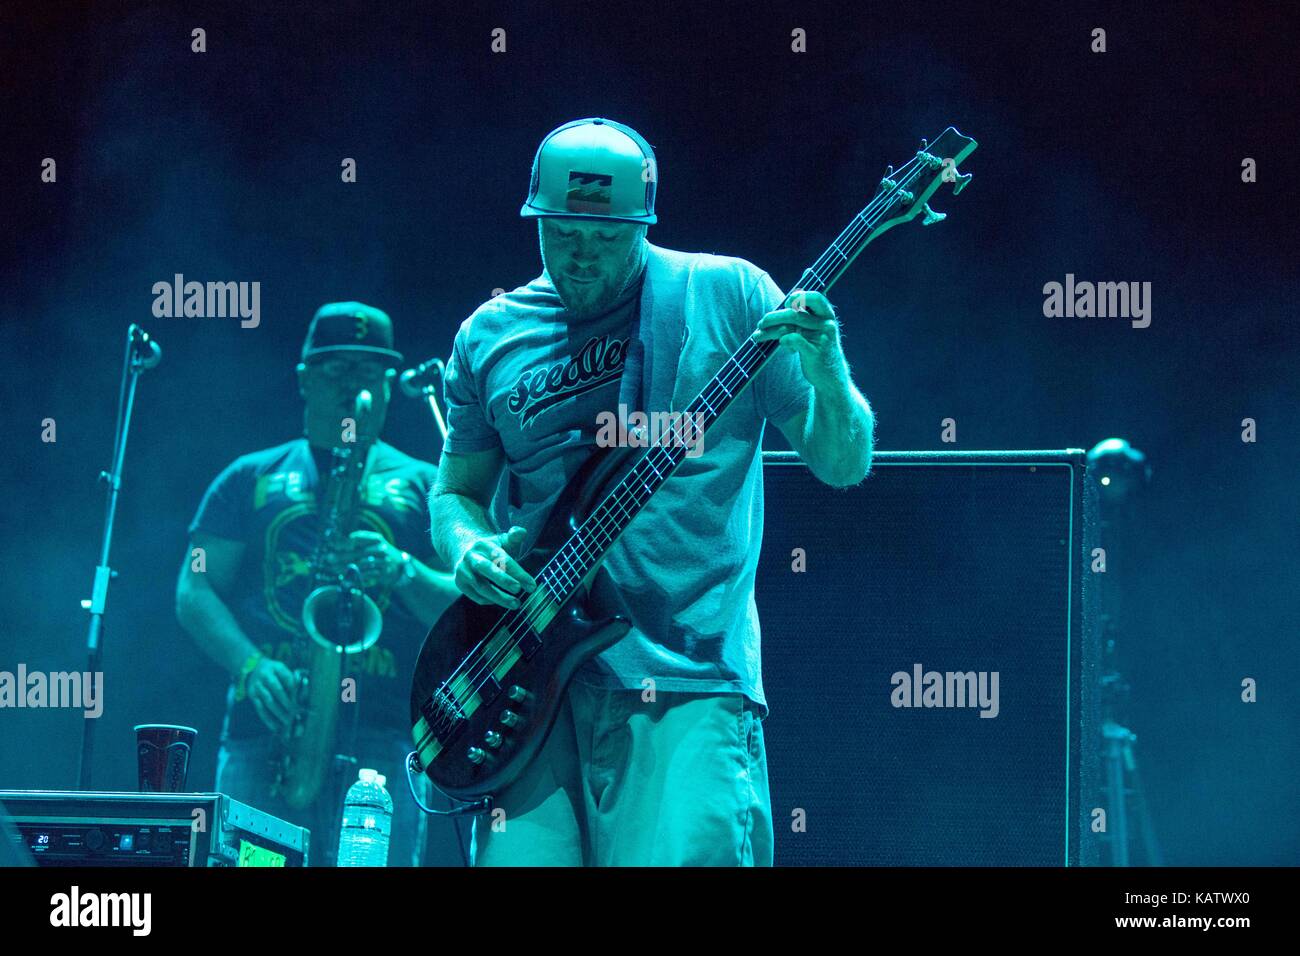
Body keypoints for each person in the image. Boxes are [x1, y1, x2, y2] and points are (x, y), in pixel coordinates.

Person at [430, 118, 875, 866]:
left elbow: (842, 461)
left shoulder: (728, 295)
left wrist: (828, 369)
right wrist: (469, 548)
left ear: (644, 223)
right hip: (529, 686)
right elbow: (455, 494)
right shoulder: (489, 335)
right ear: (536, 217)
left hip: (687, 680)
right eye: (563, 232)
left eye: (606, 237)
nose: (582, 255)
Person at [176, 302, 461, 866]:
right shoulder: (248, 477)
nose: (354, 385)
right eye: (337, 369)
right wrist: (251, 667)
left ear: (387, 386)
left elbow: (464, 608)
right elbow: (194, 588)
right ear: (305, 380)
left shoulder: (431, 485)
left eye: (370, 371)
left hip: (387, 743)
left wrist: (403, 567)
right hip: (268, 737)